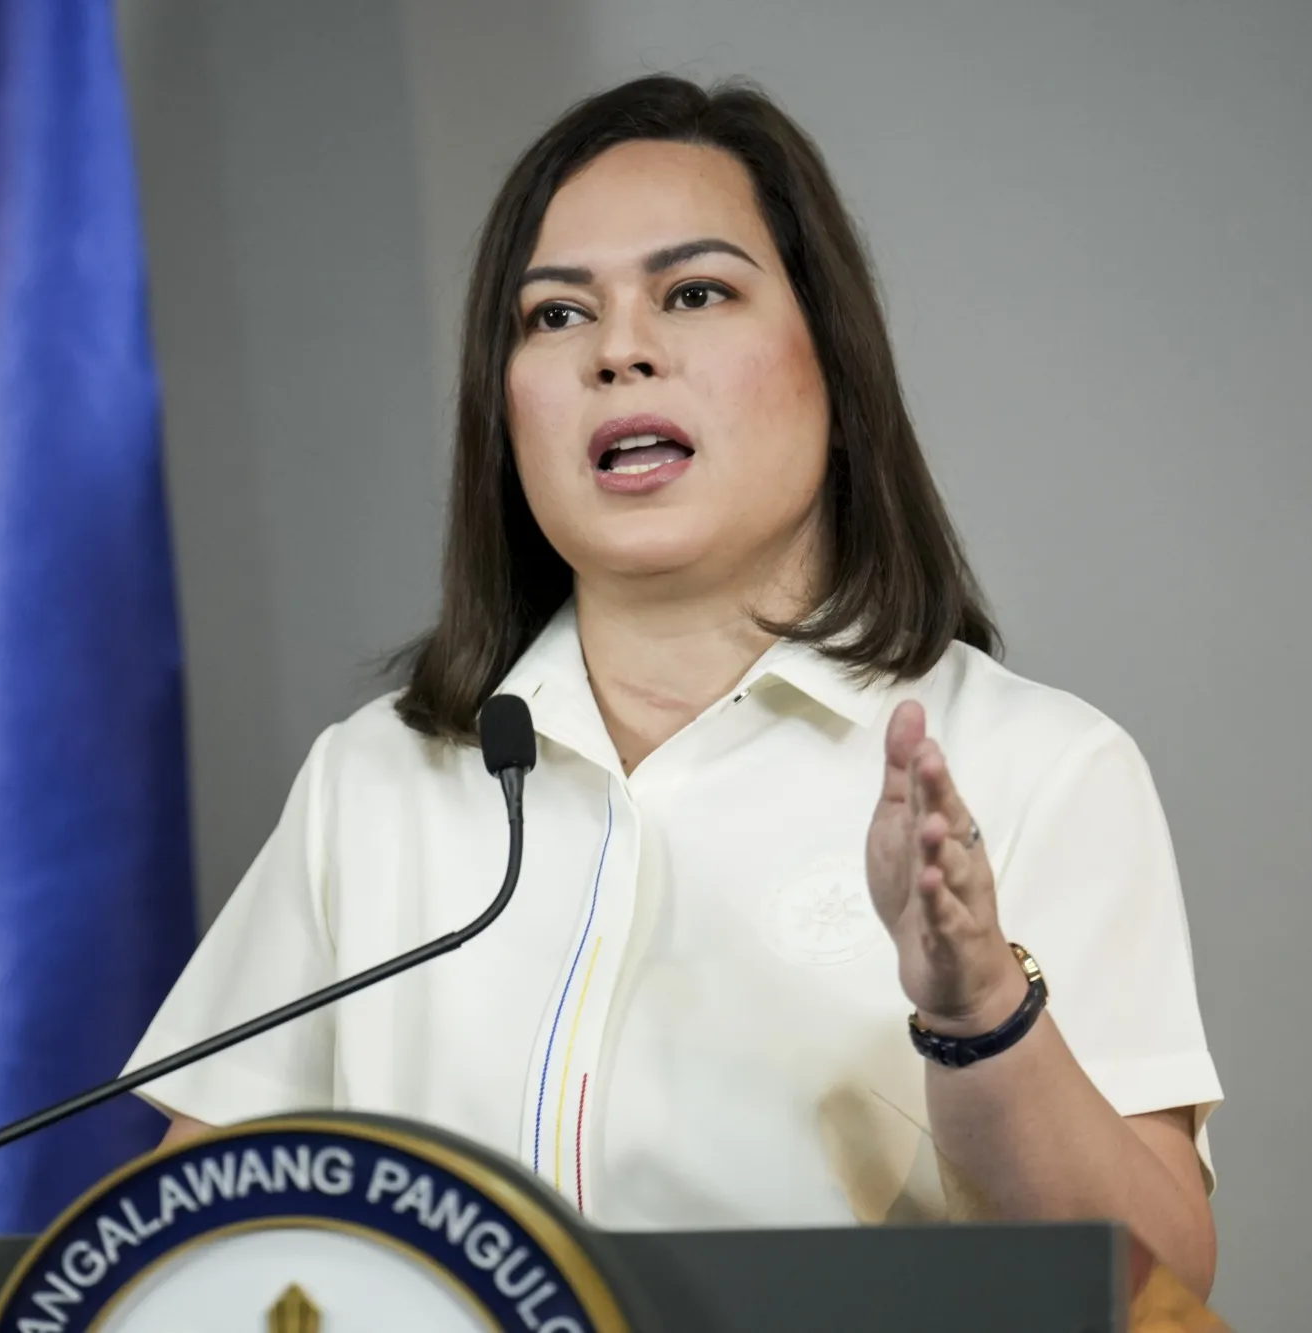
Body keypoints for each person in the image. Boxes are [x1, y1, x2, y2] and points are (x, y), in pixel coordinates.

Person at [123, 73, 1220, 1297]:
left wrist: (981, 1014)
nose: (618, 350)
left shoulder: (1029, 767)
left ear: (834, 368)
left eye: (693, 293)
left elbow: (1158, 1282)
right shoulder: (376, 780)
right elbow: (176, 1253)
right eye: (553, 315)